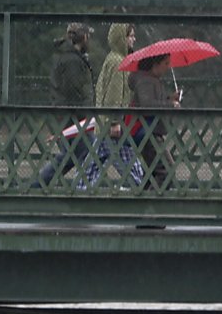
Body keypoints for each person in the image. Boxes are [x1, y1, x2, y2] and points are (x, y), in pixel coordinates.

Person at [79, 23, 147, 189]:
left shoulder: (113, 58)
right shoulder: (119, 62)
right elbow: (114, 95)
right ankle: (141, 189)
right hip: (112, 125)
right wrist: (115, 121)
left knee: (92, 165)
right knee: (129, 164)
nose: (134, 39)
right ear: (122, 39)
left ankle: (79, 189)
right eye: (130, 36)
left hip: (104, 123)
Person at [31, 21, 95, 189]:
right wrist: (87, 110)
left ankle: (80, 186)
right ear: (83, 37)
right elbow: (75, 90)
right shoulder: (72, 61)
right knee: (79, 153)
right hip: (73, 116)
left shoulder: (69, 57)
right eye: (88, 35)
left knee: (76, 154)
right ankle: (39, 185)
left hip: (70, 115)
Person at [125, 51, 181, 191]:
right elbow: (147, 105)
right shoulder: (146, 81)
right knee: (166, 171)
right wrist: (170, 105)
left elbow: (151, 101)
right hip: (147, 131)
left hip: (148, 131)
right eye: (166, 63)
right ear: (155, 64)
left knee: (154, 171)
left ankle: (144, 201)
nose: (168, 67)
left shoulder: (148, 80)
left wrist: (170, 99)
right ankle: (149, 204)